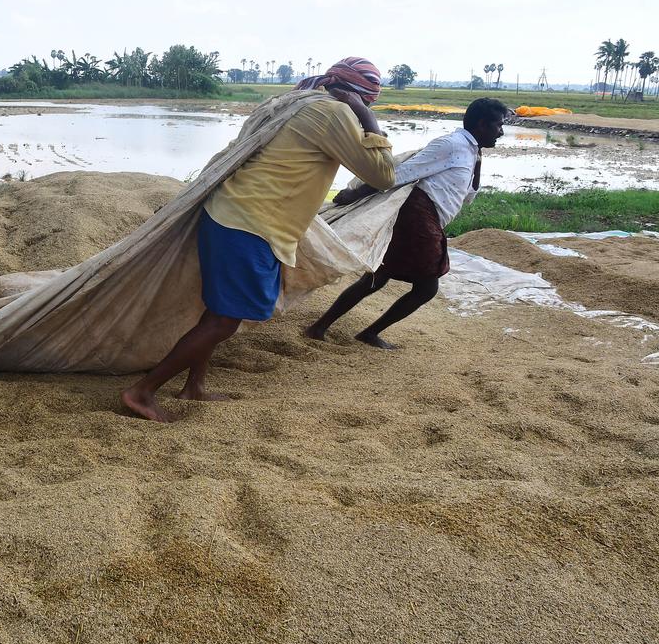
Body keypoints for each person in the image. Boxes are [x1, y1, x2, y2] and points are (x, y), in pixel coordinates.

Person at [121, 57, 397, 423]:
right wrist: (367, 119)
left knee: (218, 311)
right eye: (369, 99)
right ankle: (142, 392)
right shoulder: (335, 114)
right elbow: (382, 175)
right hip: (252, 224)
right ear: (359, 95)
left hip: (231, 215)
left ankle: (194, 386)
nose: (368, 106)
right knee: (224, 320)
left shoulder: (298, 101)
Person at [304, 97, 511, 348]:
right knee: (426, 288)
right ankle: (361, 333)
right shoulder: (451, 145)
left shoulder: (469, 151)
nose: (501, 131)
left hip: (425, 219)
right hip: (417, 218)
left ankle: (321, 328)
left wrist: (478, 158)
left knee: (377, 278)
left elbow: (468, 197)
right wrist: (356, 194)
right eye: (498, 125)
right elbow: (400, 174)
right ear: (481, 124)